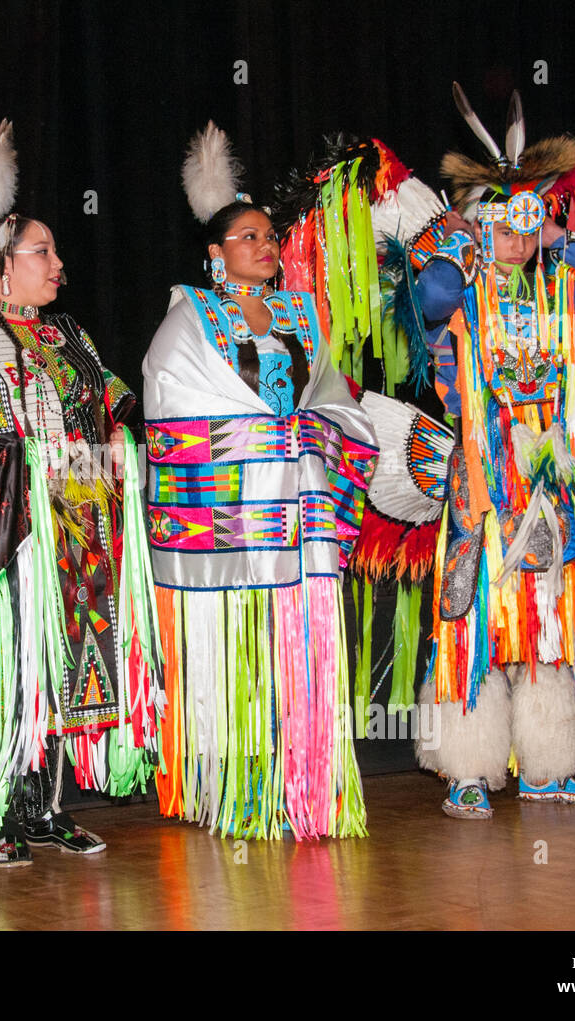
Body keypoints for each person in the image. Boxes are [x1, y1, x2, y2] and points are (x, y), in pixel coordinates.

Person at [0, 122, 160, 866]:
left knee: (66, 667)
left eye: (53, 252)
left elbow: (112, 404)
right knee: (15, 669)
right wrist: (29, 460)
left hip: (80, 527)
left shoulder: (71, 336)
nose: (58, 266)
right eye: (42, 253)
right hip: (8, 534)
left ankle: (48, 806)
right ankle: (0, 816)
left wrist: (115, 448)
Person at [407, 86, 575, 818]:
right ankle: (466, 769)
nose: (516, 242)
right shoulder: (457, 296)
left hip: (548, 484)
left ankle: (549, 767)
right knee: (470, 613)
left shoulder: (560, 297)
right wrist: (461, 243)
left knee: (550, 620)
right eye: (504, 228)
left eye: (527, 227)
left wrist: (559, 241)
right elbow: (427, 295)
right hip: (481, 489)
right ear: (480, 229)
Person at [141, 124, 377, 840]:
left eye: (270, 235)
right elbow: (172, 401)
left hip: (299, 514)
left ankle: (308, 784)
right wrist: (264, 439)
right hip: (234, 524)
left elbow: (334, 401)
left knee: (298, 649)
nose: (267, 245)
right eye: (248, 237)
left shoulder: (303, 315)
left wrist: (319, 434)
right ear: (216, 255)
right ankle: (239, 789)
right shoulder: (191, 319)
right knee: (236, 651)